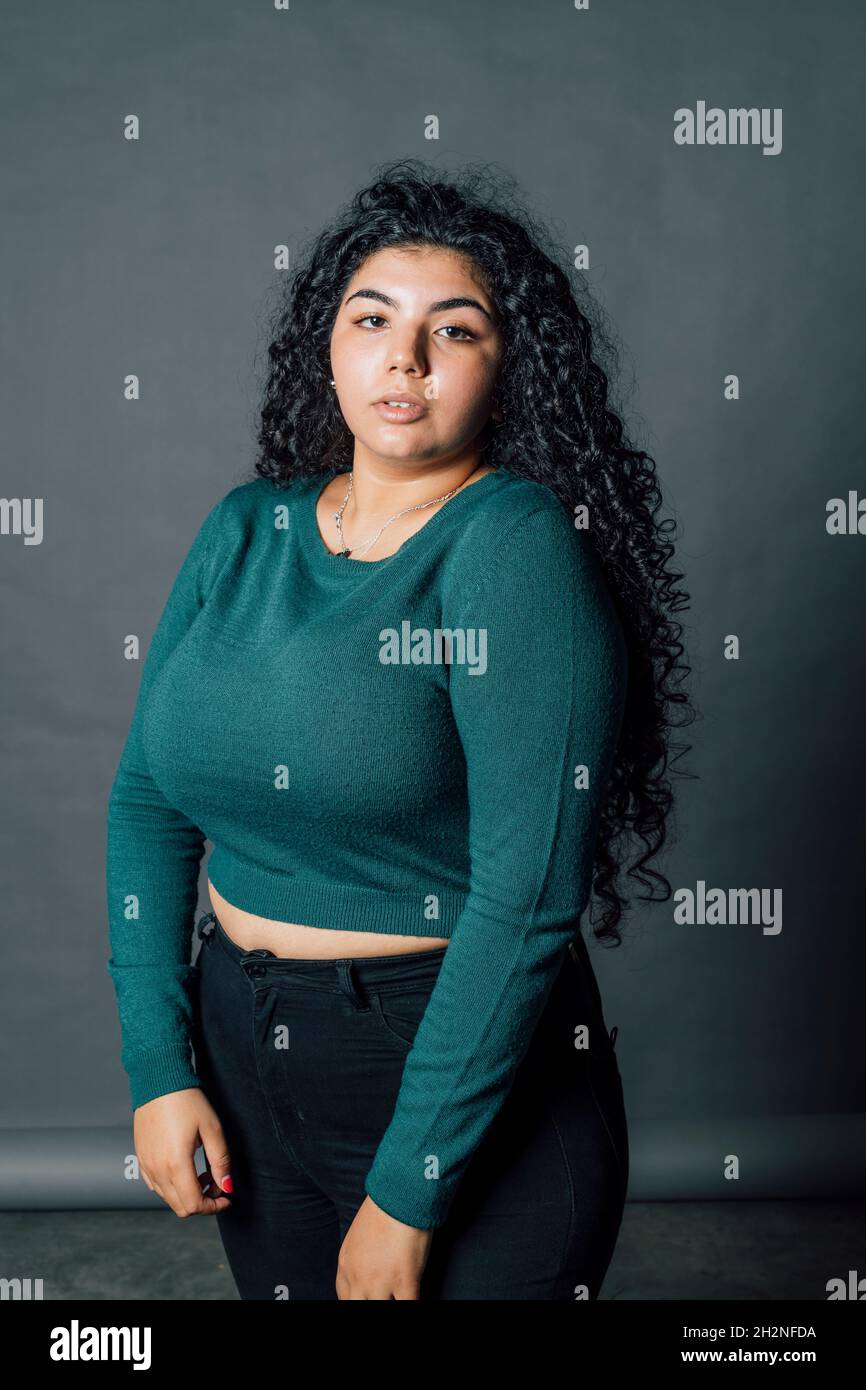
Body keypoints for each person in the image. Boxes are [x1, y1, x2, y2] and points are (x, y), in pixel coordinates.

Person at [105, 159, 694, 1300]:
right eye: (371, 317)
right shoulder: (244, 530)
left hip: (451, 1071)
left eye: (453, 330)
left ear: (507, 365)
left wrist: (410, 1189)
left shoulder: (510, 549)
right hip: (243, 1052)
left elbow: (527, 895)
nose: (404, 358)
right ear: (326, 342)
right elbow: (146, 801)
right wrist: (156, 1064)